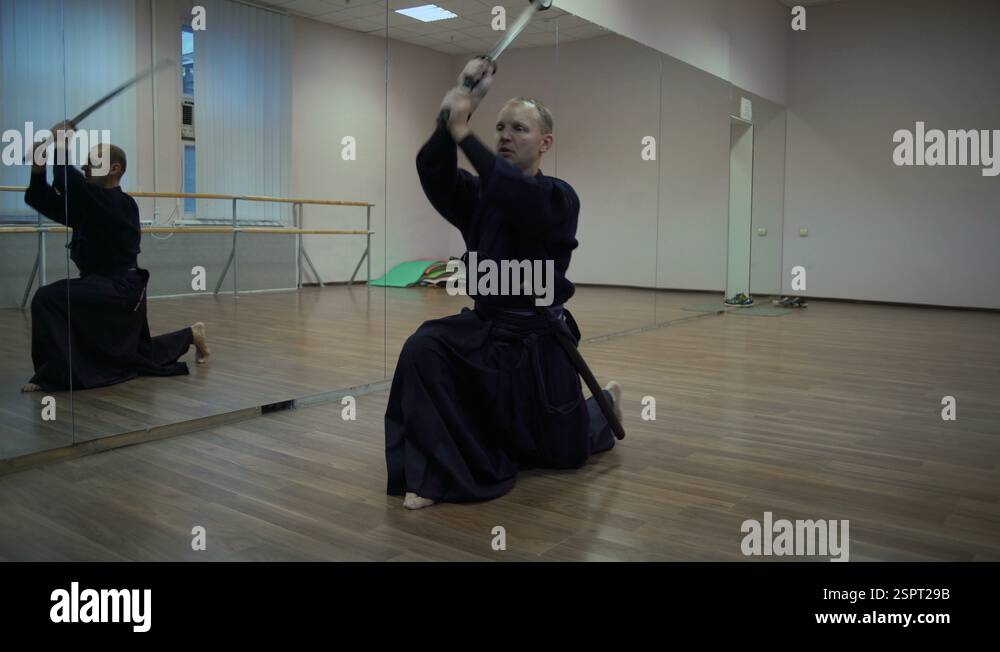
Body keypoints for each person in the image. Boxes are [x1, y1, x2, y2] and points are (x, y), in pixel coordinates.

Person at [385, 58, 622, 510]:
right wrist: (452, 116)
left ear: (546, 142)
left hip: (540, 340)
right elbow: (433, 172)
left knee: (563, 455)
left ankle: (604, 407)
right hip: (486, 330)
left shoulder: (557, 196)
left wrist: (463, 132)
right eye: (500, 128)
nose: (506, 136)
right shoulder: (478, 197)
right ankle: (436, 474)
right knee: (425, 348)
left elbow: (516, 195)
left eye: (520, 128)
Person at [21, 122, 209, 393]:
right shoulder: (92, 207)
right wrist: (39, 160)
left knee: (47, 298)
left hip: (121, 290)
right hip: (102, 287)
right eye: (84, 162)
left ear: (114, 169)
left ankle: (53, 376)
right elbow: (42, 198)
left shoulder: (120, 204)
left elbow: (67, 181)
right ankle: (191, 333)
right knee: (133, 355)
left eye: (92, 162)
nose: (85, 167)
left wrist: (61, 143)